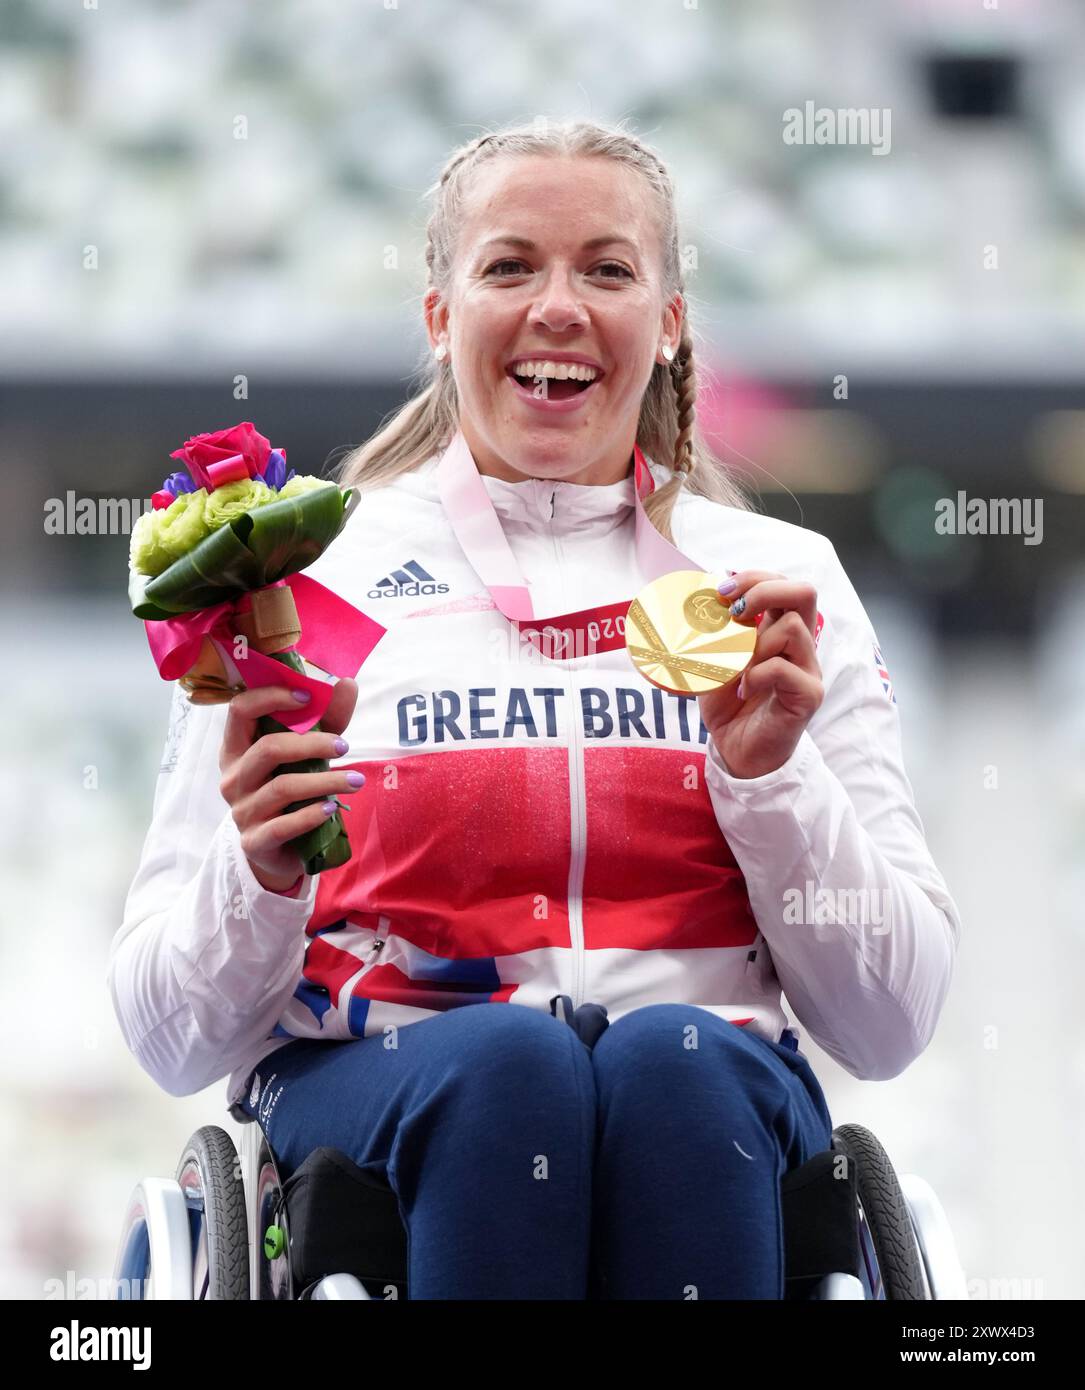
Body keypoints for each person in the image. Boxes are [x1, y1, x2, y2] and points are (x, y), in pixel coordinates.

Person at [109, 118, 961, 1300]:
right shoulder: (297, 582)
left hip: (704, 1099)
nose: (558, 307)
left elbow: (891, 1022)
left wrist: (769, 781)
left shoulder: (778, 585)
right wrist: (254, 875)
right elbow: (170, 1038)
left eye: (606, 270)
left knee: (674, 1063)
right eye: (509, 266)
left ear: (666, 321)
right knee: (507, 1062)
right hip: (385, 1102)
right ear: (439, 315)